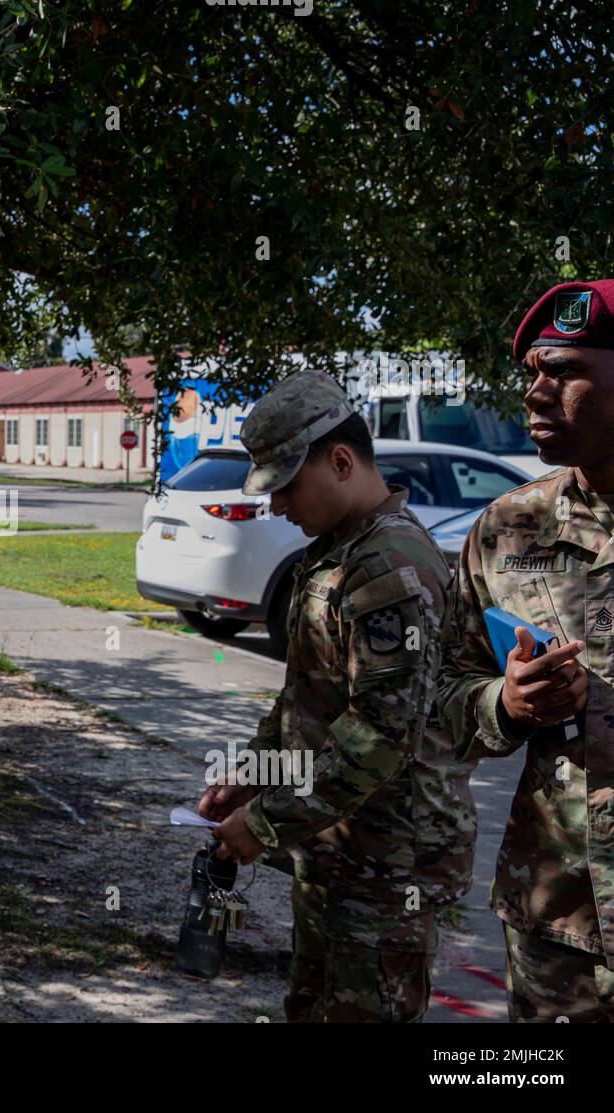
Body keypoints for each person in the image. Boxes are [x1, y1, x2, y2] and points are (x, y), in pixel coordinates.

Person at [198, 369, 475, 1022]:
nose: (276, 506)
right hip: (336, 847)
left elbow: (381, 731)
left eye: (286, 486)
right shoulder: (339, 552)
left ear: (341, 461)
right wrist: (253, 773)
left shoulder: (388, 568)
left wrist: (265, 822)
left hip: (385, 868)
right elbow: (307, 696)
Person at [438, 279, 614, 1022]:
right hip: (559, 927)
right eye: (532, 374)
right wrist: (503, 705)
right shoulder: (509, 528)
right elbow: (441, 695)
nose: (537, 393)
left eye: (564, 371)